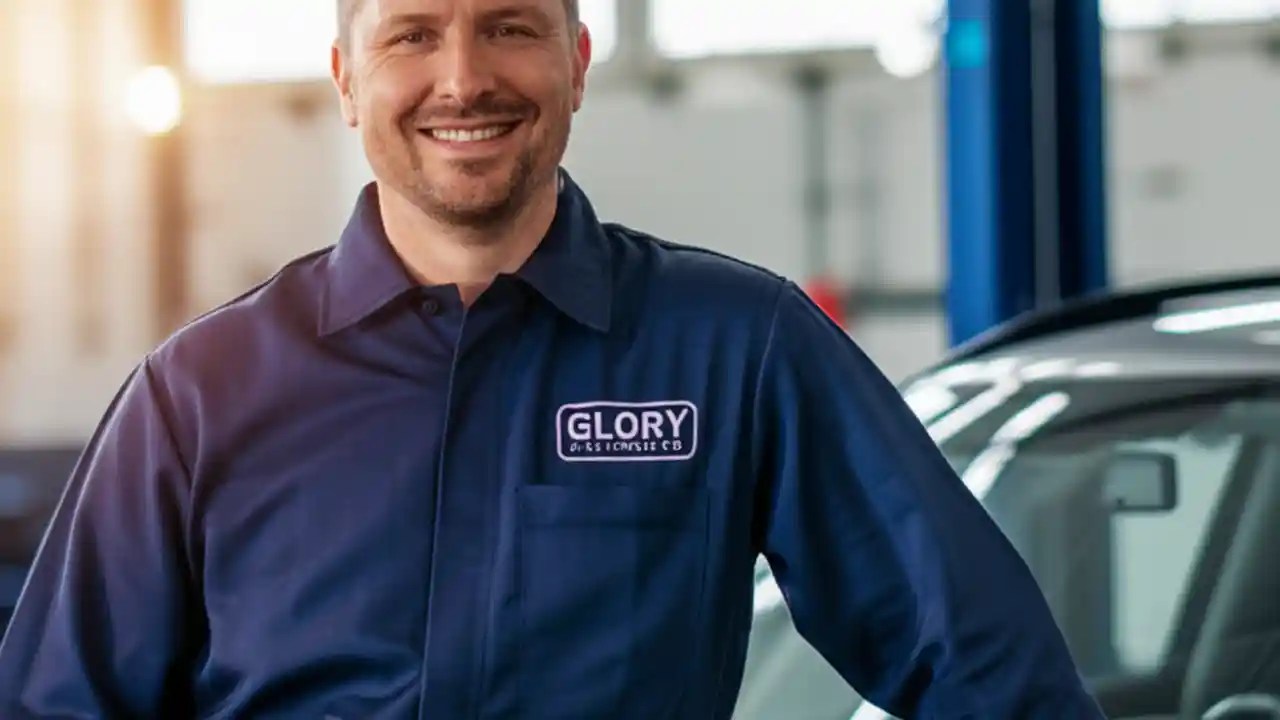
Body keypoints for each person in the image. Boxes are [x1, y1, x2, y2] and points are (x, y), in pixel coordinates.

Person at [0, 0, 1106, 717]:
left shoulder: (735, 348)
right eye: (412, 34)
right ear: (345, 79)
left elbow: (987, 671)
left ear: (576, 64)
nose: (463, 77)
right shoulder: (199, 394)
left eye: (510, 27)